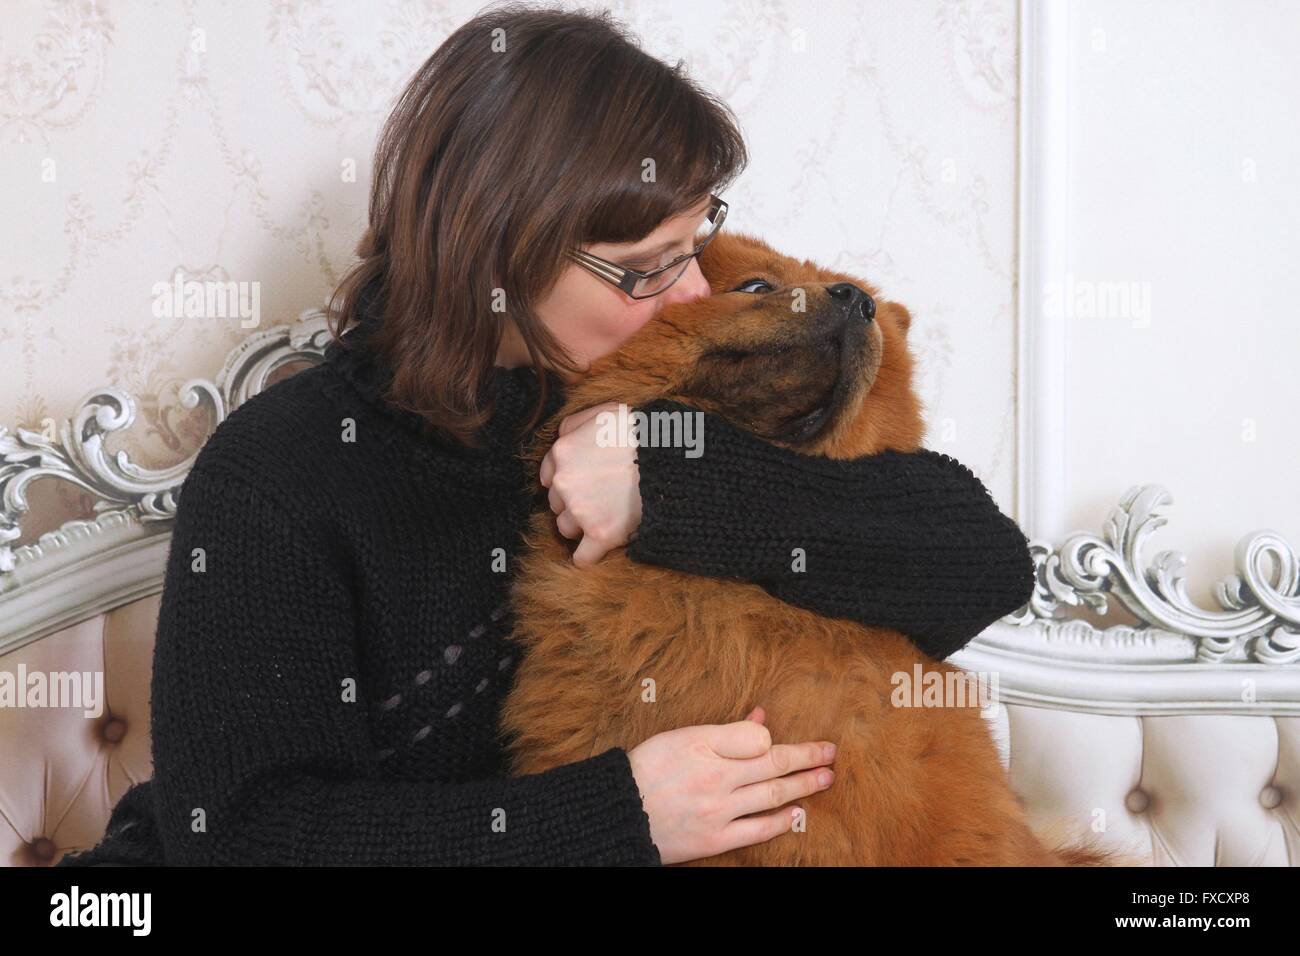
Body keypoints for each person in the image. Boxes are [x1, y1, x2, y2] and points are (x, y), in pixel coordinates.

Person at [57, 3, 1034, 867]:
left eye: (693, 250)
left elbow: (982, 566)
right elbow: (239, 836)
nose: (691, 297)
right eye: (645, 268)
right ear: (497, 254)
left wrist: (677, 484)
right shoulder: (283, 471)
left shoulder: (665, 396)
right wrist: (619, 817)